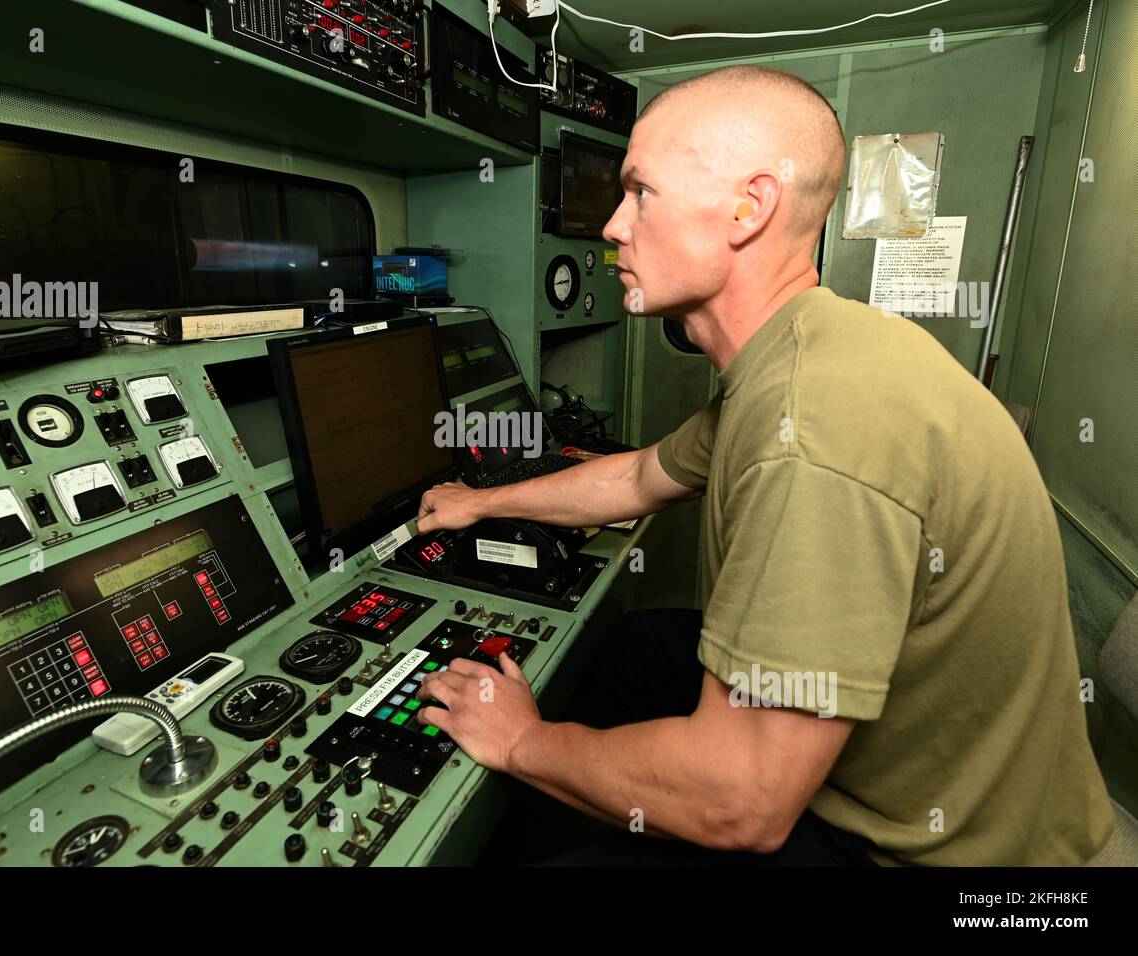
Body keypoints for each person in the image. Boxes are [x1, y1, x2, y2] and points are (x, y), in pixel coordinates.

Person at [412, 65, 1115, 866]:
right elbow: (637, 477)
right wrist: (481, 503)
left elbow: (739, 801)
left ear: (749, 208)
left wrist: (525, 742)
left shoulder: (814, 427)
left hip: (942, 858)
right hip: (908, 775)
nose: (611, 226)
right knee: (639, 648)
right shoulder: (798, 355)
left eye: (639, 191)